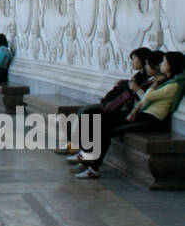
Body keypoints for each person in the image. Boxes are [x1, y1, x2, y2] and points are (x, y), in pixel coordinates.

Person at [71, 50, 185, 179]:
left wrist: (147, 86)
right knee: (96, 119)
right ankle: (87, 159)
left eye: (164, 62)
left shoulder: (171, 84)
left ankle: (93, 167)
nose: (161, 64)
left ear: (171, 65)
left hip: (151, 119)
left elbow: (147, 97)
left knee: (104, 127)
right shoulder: (164, 80)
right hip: (141, 113)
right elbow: (144, 101)